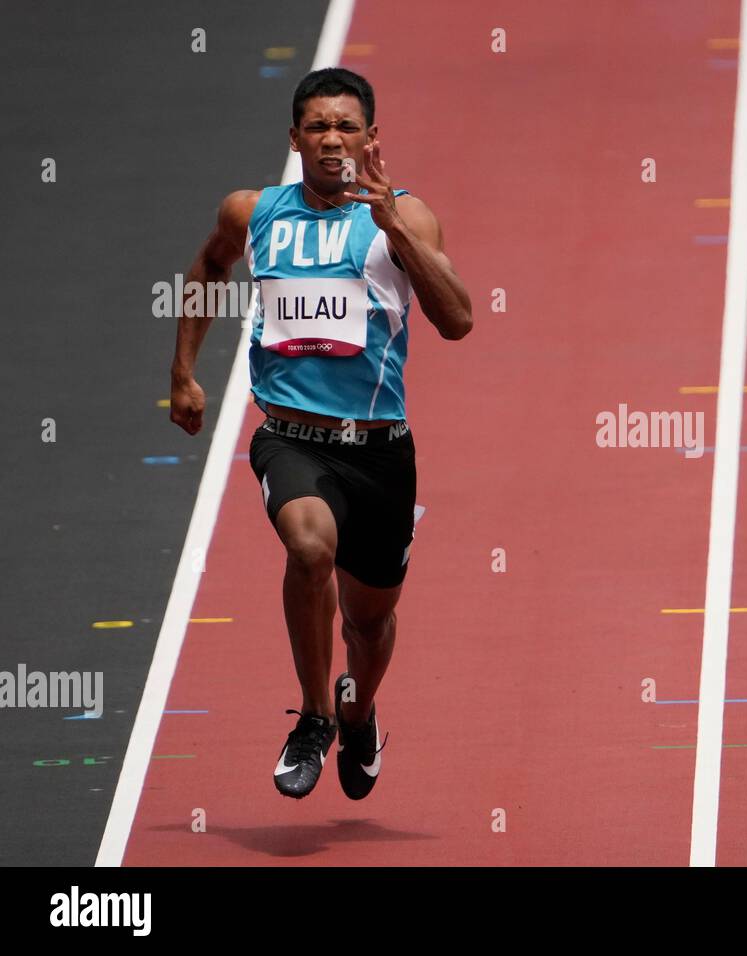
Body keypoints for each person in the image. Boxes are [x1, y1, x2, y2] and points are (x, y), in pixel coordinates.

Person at [169, 68, 473, 800]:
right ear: (294, 137)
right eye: (317, 125)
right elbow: (211, 264)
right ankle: (313, 717)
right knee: (309, 548)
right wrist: (182, 370)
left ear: (371, 137)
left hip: (379, 451)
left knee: (370, 626)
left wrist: (397, 232)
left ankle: (357, 709)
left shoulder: (405, 217)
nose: (331, 138)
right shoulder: (254, 212)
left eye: (346, 125)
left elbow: (458, 320)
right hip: (290, 437)